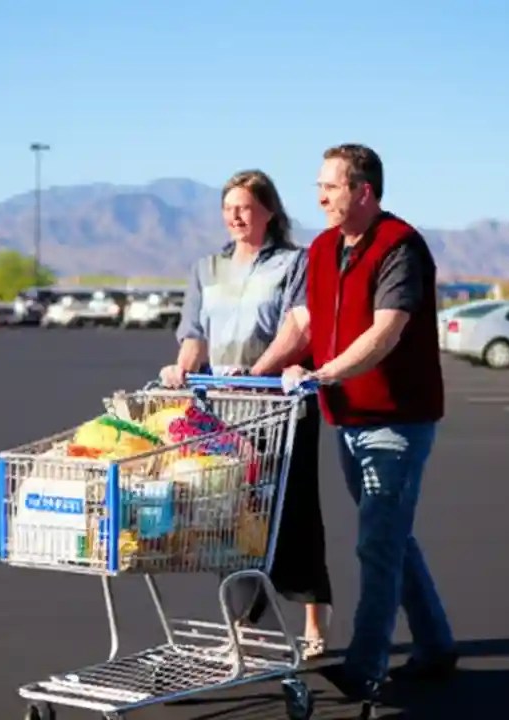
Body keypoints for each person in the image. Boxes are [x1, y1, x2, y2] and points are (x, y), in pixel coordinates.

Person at [251, 143, 458, 701]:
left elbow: (386, 333)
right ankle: (436, 645)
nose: (319, 195)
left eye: (331, 186)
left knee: (377, 543)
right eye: (318, 184)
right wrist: (254, 373)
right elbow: (302, 325)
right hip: (347, 417)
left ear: (363, 191)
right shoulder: (320, 248)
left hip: (397, 421)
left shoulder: (400, 247)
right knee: (392, 539)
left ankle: (366, 669)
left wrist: (324, 375)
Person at [159, 169, 333, 656]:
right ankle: (243, 618)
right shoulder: (206, 269)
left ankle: (314, 623)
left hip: (280, 409)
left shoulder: (294, 263)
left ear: (269, 212)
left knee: (292, 514)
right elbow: (193, 334)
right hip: (225, 413)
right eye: (229, 208)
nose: (236, 216)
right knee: (230, 517)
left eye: (246, 207)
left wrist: (258, 371)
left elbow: (299, 328)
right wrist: (182, 369)